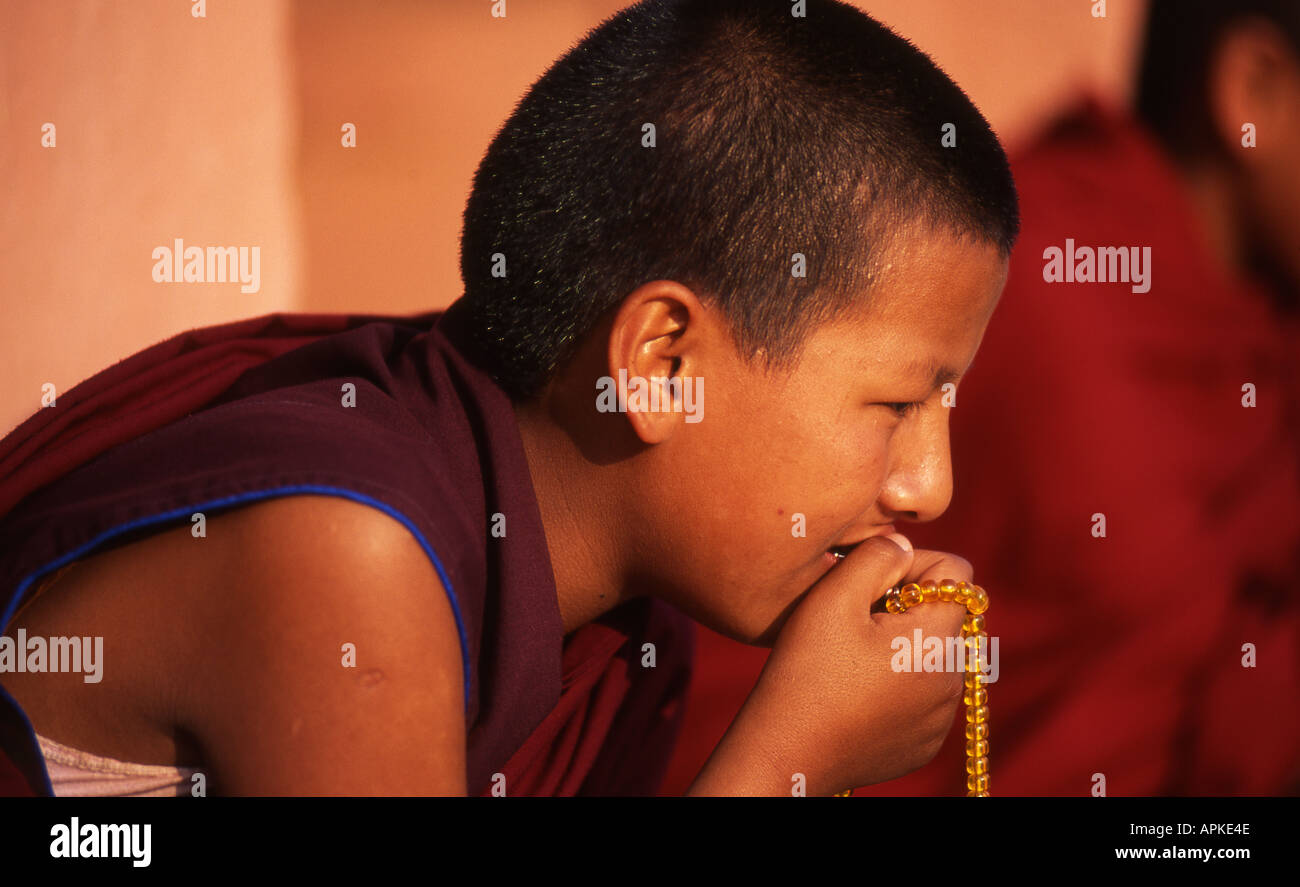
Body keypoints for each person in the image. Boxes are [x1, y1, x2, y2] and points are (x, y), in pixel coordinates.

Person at [0, 0, 1018, 797]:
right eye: (896, 406)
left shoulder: (626, 608)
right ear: (663, 364)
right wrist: (782, 765)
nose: (928, 486)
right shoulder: (348, 553)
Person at [665, 0, 1300, 796]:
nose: (930, 487)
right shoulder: (1039, 286)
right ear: (1256, 89)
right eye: (901, 408)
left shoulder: (1258, 339)